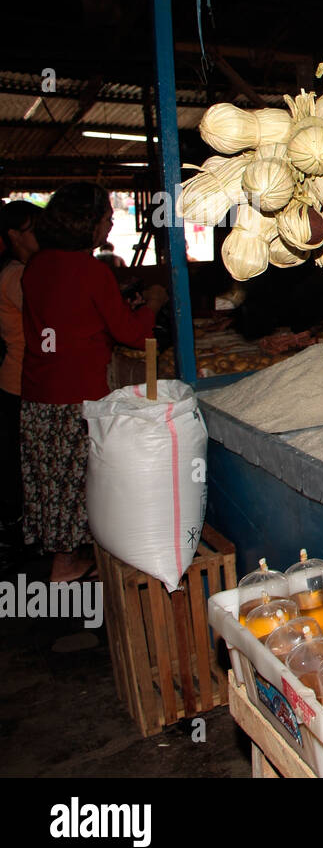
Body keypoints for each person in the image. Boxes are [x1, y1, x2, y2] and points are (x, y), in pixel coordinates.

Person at [21, 184, 167, 582]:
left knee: (52, 480)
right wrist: (152, 303)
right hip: (77, 396)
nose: (111, 222)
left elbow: (65, 320)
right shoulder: (90, 270)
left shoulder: (36, 266)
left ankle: (61, 560)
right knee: (84, 480)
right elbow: (132, 335)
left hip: (38, 392)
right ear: (85, 223)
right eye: (106, 216)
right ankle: (69, 567)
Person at [1, 200, 40, 560]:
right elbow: (43, 314)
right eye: (32, 230)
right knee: (21, 467)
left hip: (23, 381)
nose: (39, 236)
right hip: (20, 381)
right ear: (14, 236)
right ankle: (18, 538)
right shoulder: (16, 275)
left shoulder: (27, 271)